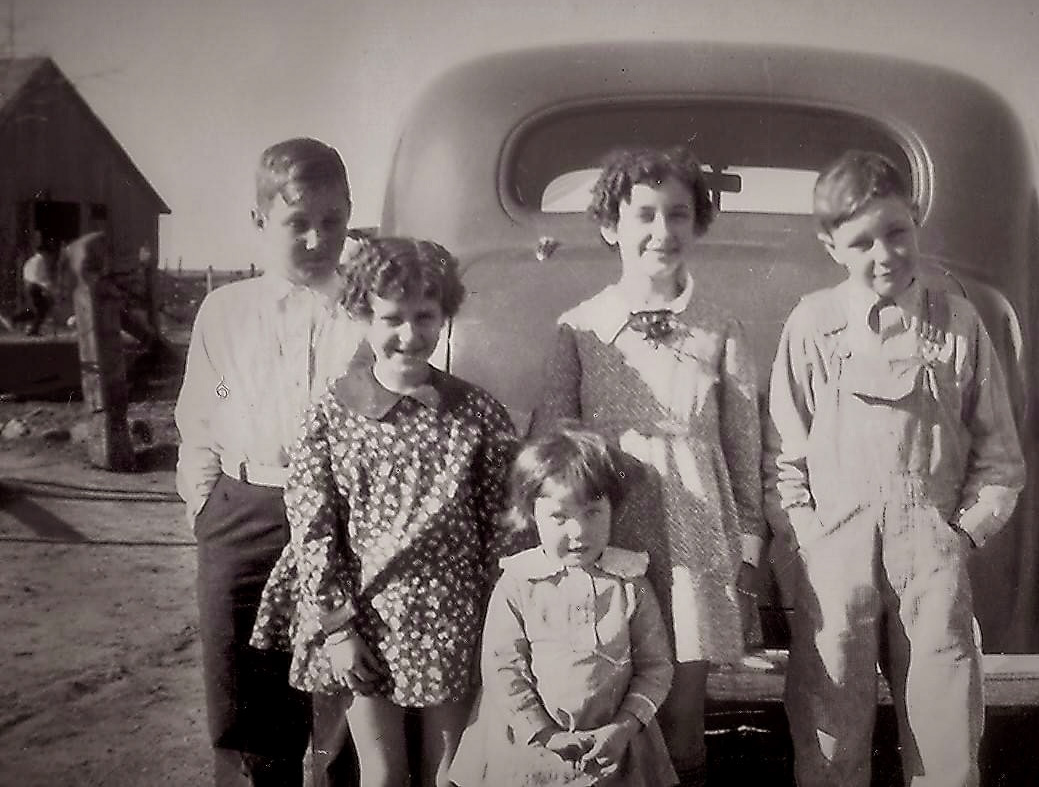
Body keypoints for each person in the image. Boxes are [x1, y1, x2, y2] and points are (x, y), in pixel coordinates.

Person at [763, 150, 1027, 787]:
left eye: (897, 232)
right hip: (834, 563)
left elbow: (1000, 459)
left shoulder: (959, 323)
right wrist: (806, 546)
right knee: (830, 733)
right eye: (861, 242)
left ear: (917, 221)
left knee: (945, 731)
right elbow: (783, 458)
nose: (884, 254)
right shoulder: (811, 327)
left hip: (932, 556)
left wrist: (961, 536)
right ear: (830, 246)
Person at [250, 236, 524, 787]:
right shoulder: (328, 414)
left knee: (449, 774)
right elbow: (312, 530)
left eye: (425, 316)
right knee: (381, 776)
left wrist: (499, 625)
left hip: (452, 621)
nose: (409, 334)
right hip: (363, 621)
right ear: (361, 315)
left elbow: (505, 528)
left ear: (445, 315)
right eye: (391, 317)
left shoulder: (479, 415)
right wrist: (337, 628)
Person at [531, 146, 766, 786]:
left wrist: (747, 542)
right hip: (610, 529)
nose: (661, 232)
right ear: (612, 225)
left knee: (685, 708)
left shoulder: (721, 329)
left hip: (696, 540)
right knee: (606, 693)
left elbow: (745, 446)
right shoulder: (579, 328)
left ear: (696, 225)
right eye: (644, 215)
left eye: (678, 215)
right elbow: (552, 443)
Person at [175, 137, 366, 786]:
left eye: (332, 221)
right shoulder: (225, 313)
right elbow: (198, 420)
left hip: (344, 511)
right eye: (297, 222)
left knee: (349, 682)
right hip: (246, 507)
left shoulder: (368, 312)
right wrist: (208, 506)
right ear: (259, 222)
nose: (317, 238)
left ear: (349, 214)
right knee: (246, 694)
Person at [451, 423, 678, 787]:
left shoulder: (630, 583)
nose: (578, 532)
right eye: (559, 516)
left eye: (592, 513)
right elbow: (502, 669)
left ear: (612, 510)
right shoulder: (519, 583)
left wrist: (623, 727)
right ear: (531, 514)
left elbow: (656, 668)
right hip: (527, 746)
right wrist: (544, 734)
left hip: (613, 746)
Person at [20, 235, 56, 335]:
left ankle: (18, 320)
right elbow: (40, 277)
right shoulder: (40, 261)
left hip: (29, 286)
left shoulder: (30, 261)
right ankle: (32, 329)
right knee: (42, 309)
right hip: (35, 287)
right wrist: (48, 290)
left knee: (36, 309)